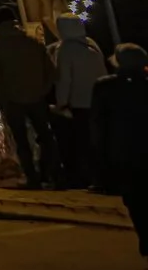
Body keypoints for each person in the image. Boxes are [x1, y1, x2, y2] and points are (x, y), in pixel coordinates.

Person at [0, 4, 56, 189]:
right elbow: (50, 69)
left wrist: (3, 92)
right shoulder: (31, 39)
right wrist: (43, 89)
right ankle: (56, 174)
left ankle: (32, 177)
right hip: (38, 96)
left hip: (12, 98)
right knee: (46, 136)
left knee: (21, 140)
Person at [91, 42, 148, 258]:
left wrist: (101, 156)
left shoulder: (105, 87)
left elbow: (98, 125)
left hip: (123, 154)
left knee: (135, 200)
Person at [50, 14, 107, 189]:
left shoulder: (66, 49)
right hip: (98, 99)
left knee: (83, 142)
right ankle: (103, 177)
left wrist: (61, 102)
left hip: (79, 102)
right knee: (98, 140)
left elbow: (64, 79)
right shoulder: (91, 44)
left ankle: (89, 178)